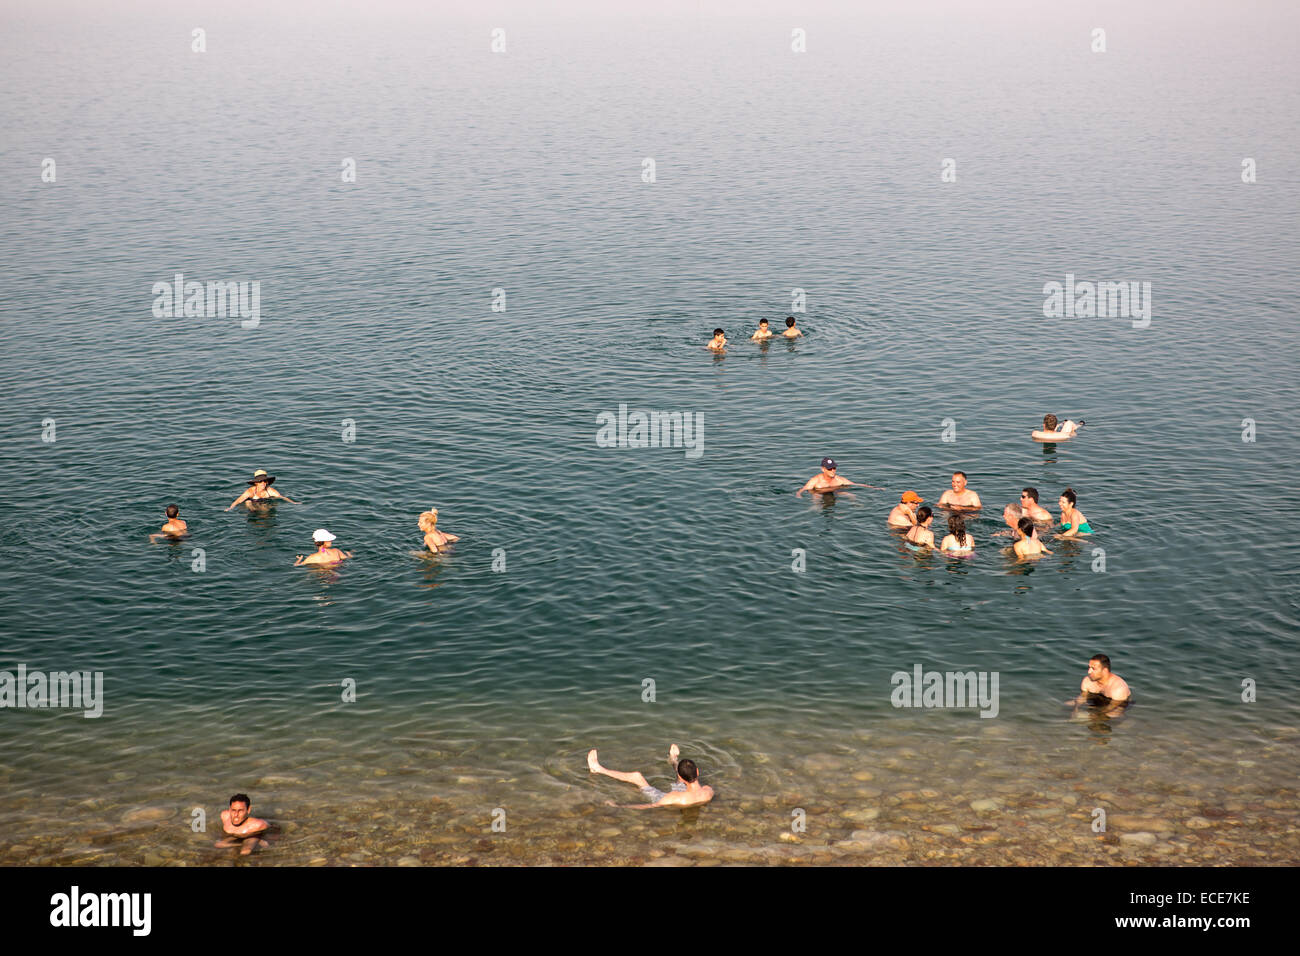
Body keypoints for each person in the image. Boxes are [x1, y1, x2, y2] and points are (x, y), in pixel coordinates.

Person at [587, 744, 714, 809]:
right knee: (685, 781)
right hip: (688, 793)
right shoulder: (708, 791)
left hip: (674, 797)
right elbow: (688, 782)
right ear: (697, 771)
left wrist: (618, 806)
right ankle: (674, 760)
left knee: (637, 777)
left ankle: (598, 769)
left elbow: (648, 807)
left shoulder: (673, 798)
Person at [797, 457, 882, 496]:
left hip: (835, 492)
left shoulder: (839, 480)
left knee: (851, 495)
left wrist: (874, 488)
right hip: (819, 493)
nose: (833, 470)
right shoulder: (815, 480)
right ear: (823, 469)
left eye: (834, 468)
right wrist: (799, 495)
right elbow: (803, 490)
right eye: (830, 469)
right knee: (816, 499)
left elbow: (855, 484)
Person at [227, 470, 298, 510]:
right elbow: (239, 500)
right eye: (260, 481)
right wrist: (230, 508)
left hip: (265, 503)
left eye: (265, 481)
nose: (263, 483)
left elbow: (282, 497)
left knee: (264, 509)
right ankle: (254, 512)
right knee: (248, 502)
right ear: (256, 483)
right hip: (252, 504)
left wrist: (294, 502)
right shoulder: (250, 491)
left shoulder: (270, 491)